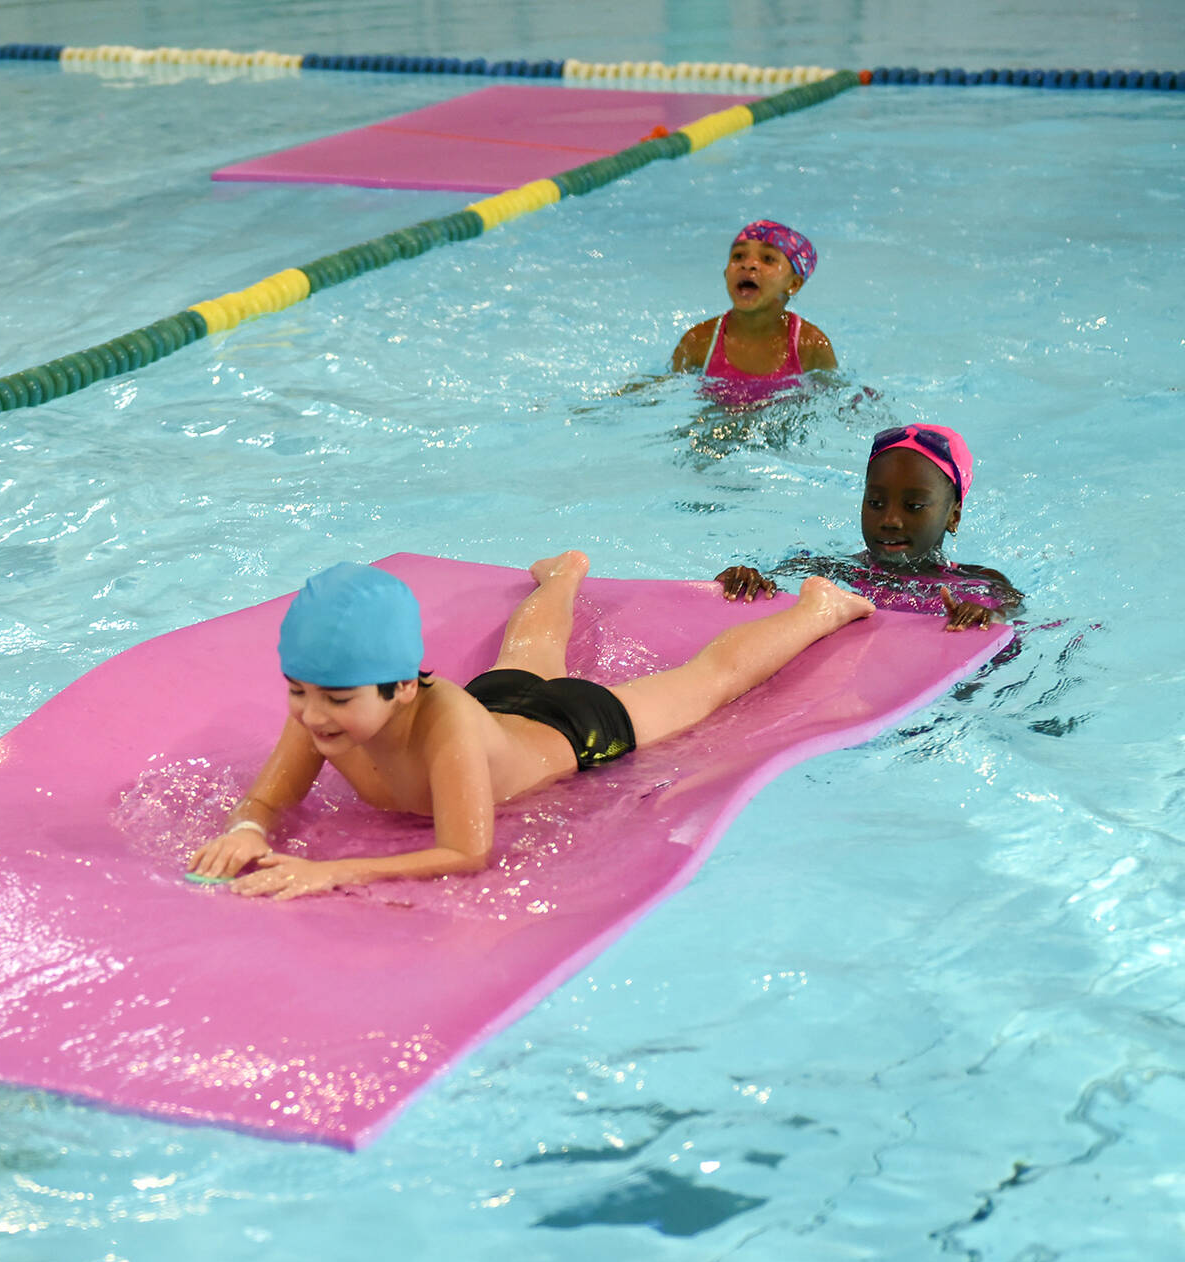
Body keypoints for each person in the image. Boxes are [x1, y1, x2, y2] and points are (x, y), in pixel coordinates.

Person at [187, 554, 874, 900]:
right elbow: (270, 798)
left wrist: (326, 874)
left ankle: (820, 609)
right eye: (297, 692)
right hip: (503, 707)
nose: (310, 714)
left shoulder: (443, 723)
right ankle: (565, 574)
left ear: (402, 688)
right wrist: (246, 829)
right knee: (525, 658)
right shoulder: (322, 708)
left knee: (710, 682)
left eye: (333, 698)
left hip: (573, 730)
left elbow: (466, 853)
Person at [715, 422, 1021, 631]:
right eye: (875, 503)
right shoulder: (832, 572)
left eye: (914, 506)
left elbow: (1011, 625)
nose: (890, 520)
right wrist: (744, 583)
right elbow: (768, 594)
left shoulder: (981, 585)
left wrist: (984, 618)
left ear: (953, 516)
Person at [672, 220, 837, 399]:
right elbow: (670, 391)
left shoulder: (809, 345)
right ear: (726, 274)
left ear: (794, 284)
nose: (749, 264)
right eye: (738, 256)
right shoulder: (699, 341)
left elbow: (835, 396)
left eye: (767, 259)